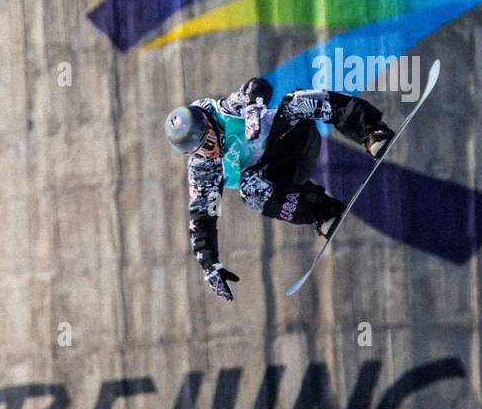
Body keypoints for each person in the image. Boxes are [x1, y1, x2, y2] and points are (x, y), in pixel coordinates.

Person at [165, 77, 395, 301]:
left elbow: (258, 85)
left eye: (208, 143)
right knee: (250, 190)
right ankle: (322, 211)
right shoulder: (204, 168)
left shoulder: (225, 111)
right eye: (199, 152)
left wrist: (253, 109)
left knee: (298, 101)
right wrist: (210, 266)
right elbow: (202, 217)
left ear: (209, 124)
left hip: (293, 139)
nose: (210, 152)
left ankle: (371, 132)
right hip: (281, 174)